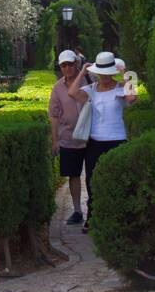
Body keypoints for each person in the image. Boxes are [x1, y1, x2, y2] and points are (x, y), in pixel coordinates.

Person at [68, 50, 136, 234]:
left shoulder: (121, 87)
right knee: (92, 181)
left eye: (108, 73)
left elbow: (132, 98)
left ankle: (118, 218)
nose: (105, 77)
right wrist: (82, 72)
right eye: (101, 73)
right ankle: (92, 217)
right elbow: (72, 92)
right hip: (95, 142)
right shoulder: (92, 89)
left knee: (118, 180)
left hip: (117, 140)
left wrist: (125, 74)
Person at [48, 49, 89, 225]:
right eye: (63, 65)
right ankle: (77, 211)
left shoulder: (89, 79)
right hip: (69, 137)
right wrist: (55, 139)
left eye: (70, 64)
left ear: (76, 64)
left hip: (92, 136)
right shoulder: (57, 88)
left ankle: (94, 210)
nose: (67, 68)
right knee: (73, 175)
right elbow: (53, 114)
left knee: (93, 175)